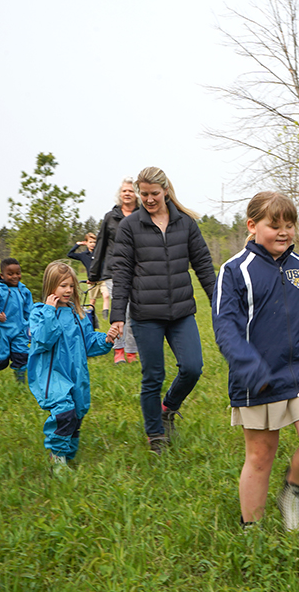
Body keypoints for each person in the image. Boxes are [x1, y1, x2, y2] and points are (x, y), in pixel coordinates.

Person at [213, 191, 299, 532]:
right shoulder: (234, 271)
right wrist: (250, 369)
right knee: (261, 456)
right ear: (252, 226)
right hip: (259, 378)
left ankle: (291, 492)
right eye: (274, 225)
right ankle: (251, 530)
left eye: (290, 225)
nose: (284, 232)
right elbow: (225, 328)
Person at [109, 167, 216, 455]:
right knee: (153, 376)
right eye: (144, 194)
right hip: (146, 315)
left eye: (154, 193)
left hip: (181, 312)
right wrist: (117, 317)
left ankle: (168, 407)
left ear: (165, 191)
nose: (148, 199)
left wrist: (219, 302)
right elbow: (121, 274)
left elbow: (203, 265)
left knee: (192, 368)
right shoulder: (129, 227)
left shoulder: (185, 223)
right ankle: (155, 435)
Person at [27, 261, 117, 471]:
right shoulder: (40, 313)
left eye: (71, 286)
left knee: (77, 413)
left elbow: (88, 342)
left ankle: (68, 454)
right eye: (63, 286)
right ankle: (57, 457)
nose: (68, 290)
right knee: (64, 412)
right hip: (52, 375)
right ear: (50, 286)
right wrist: (50, 312)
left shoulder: (78, 314)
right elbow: (43, 340)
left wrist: (106, 340)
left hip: (76, 374)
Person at [89, 178, 139, 363]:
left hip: (137, 271)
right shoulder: (110, 217)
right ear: (120, 194)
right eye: (124, 190)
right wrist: (93, 274)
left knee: (133, 311)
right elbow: (100, 246)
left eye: (131, 191)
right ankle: (119, 350)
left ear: (136, 194)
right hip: (114, 271)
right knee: (121, 310)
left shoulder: (142, 215)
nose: (127, 193)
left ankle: (132, 351)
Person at [0, 258, 33, 384]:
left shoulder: (24, 291)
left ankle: (20, 382)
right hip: (2, 331)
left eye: (18, 273)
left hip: (19, 330)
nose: (15, 276)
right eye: (10, 274)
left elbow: (29, 310)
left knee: (21, 355)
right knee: (1, 359)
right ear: (2, 275)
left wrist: (31, 325)